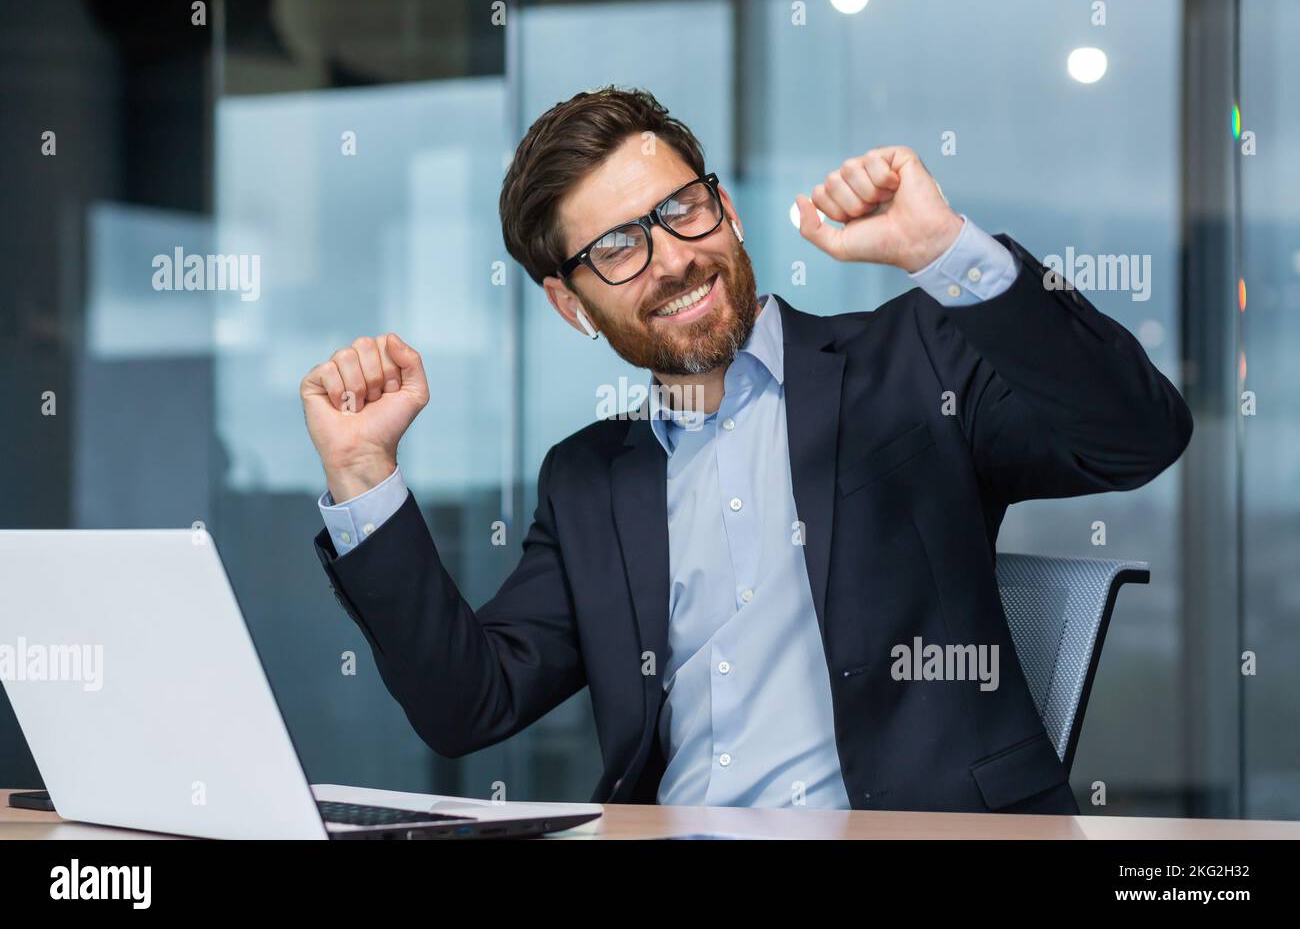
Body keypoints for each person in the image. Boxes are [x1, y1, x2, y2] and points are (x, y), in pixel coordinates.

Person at [300, 86, 1192, 813]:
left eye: (680, 209)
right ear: (570, 304)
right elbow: (471, 703)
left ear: (723, 209)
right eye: (616, 247)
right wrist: (362, 475)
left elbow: (1137, 440)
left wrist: (949, 254)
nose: (671, 259)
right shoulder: (587, 481)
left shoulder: (914, 358)